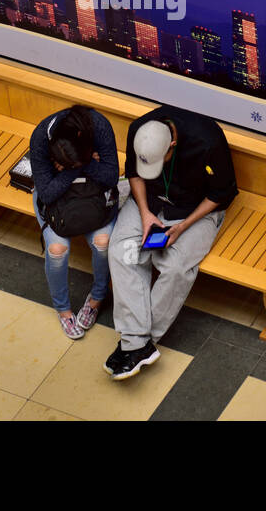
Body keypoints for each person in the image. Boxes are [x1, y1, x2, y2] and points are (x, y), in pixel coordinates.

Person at [105, 104, 237, 379]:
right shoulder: (139, 129)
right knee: (121, 251)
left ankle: (137, 343)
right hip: (149, 202)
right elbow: (134, 174)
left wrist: (183, 227)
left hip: (196, 211)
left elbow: (221, 195)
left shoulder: (208, 141)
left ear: (172, 145)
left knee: (175, 267)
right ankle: (138, 344)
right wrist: (144, 214)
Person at [29, 104, 120, 339]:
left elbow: (111, 177)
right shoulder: (41, 136)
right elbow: (47, 193)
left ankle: (97, 298)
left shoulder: (98, 125)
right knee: (57, 250)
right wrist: (79, 168)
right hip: (58, 201)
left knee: (103, 242)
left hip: (94, 195)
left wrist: (77, 166)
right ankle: (64, 310)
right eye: (65, 163)